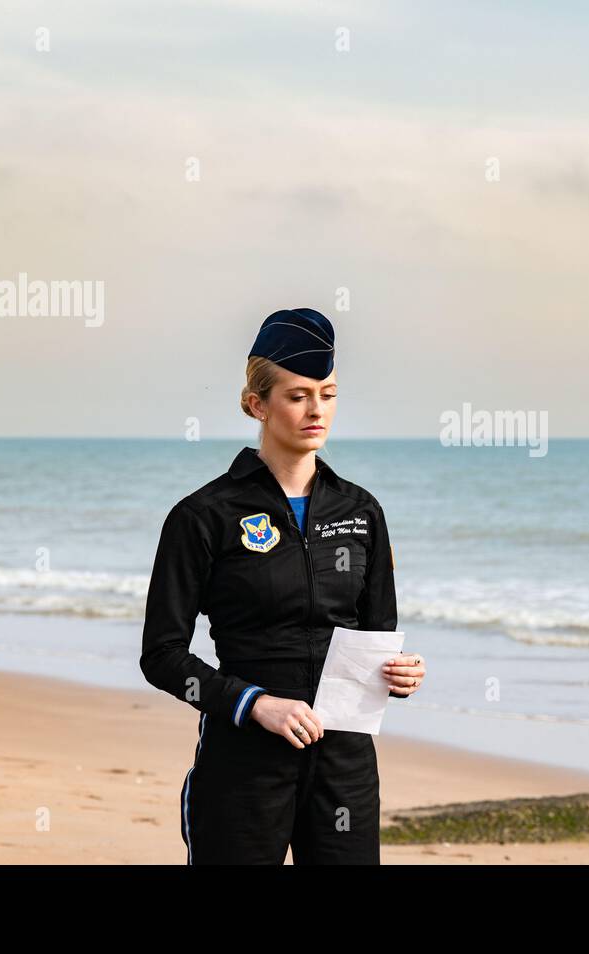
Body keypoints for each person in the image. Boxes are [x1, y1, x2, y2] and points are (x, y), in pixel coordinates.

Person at [140, 307, 427, 865]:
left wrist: (400, 673)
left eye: (328, 393)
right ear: (257, 404)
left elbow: (376, 636)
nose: (317, 409)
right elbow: (162, 655)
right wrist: (255, 704)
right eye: (297, 396)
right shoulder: (204, 515)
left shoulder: (361, 511)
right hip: (245, 761)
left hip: (345, 766)